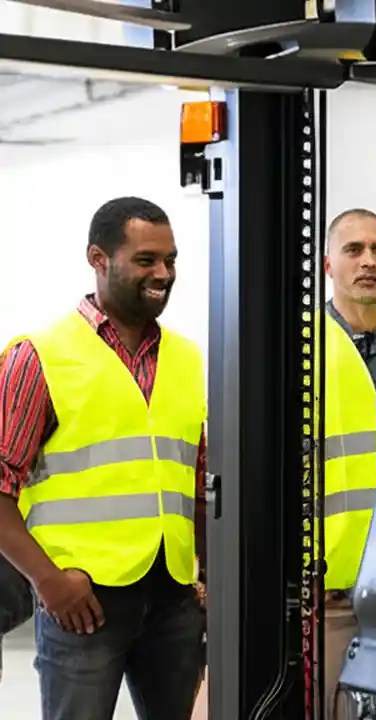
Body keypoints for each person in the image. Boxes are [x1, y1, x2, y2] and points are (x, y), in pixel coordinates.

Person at [0, 196, 207, 720]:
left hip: (174, 596)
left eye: (171, 260)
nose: (163, 273)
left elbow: (199, 479)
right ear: (98, 258)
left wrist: (207, 573)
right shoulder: (39, 356)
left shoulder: (187, 358)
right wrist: (48, 582)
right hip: (83, 602)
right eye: (146, 260)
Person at [318, 208, 376, 720]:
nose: (367, 261)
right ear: (328, 265)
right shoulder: (298, 348)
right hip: (326, 591)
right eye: (353, 250)